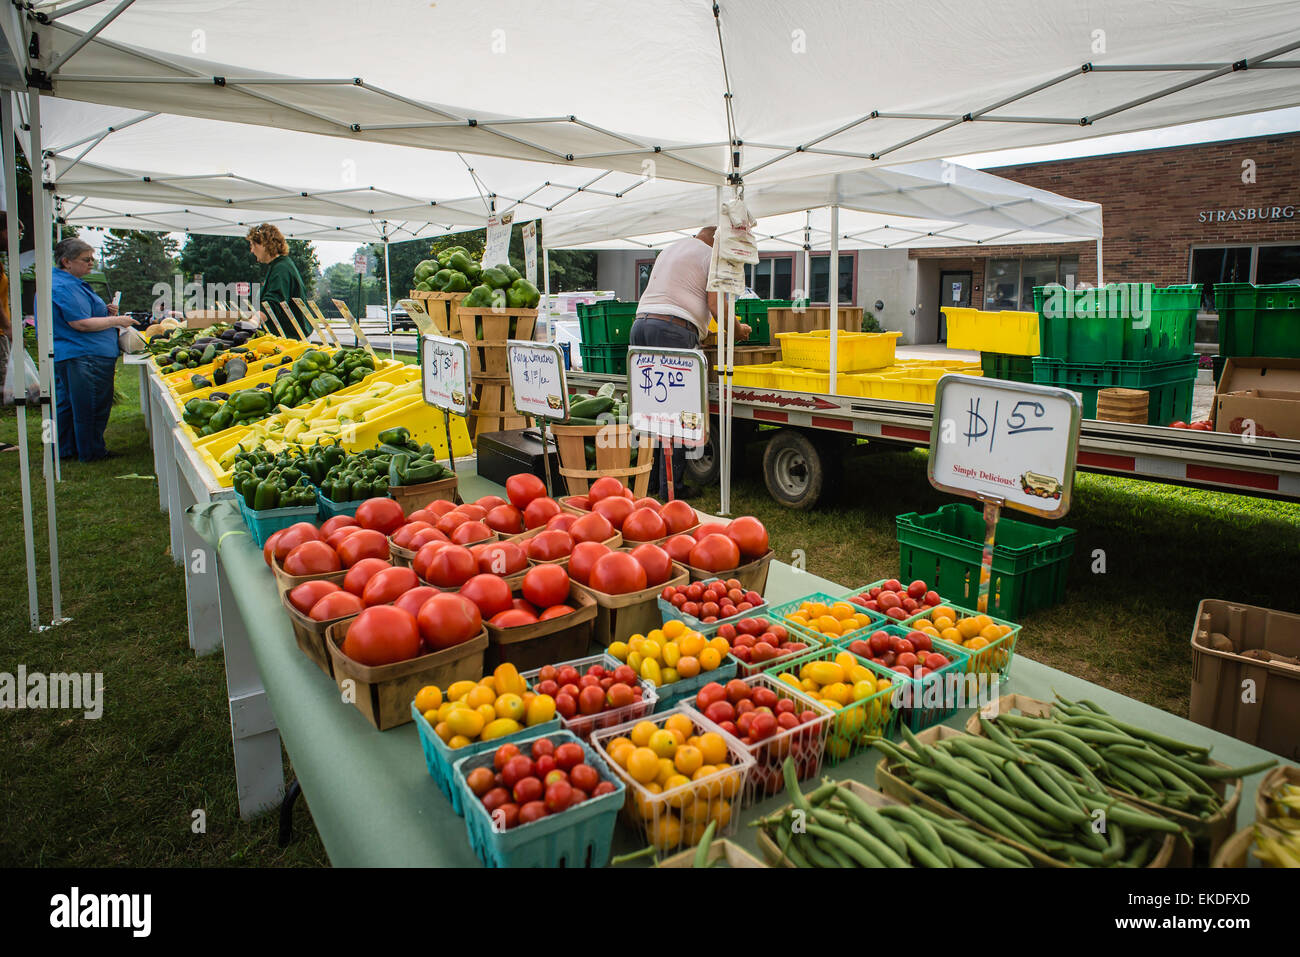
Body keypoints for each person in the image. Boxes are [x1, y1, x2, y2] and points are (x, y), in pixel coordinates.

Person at [630, 226, 748, 498]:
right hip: (672, 329)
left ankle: (650, 484)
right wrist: (738, 330)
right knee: (678, 409)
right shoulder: (712, 255)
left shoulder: (672, 248)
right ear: (717, 238)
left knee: (653, 407)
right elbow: (717, 306)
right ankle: (673, 489)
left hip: (641, 325)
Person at [50, 237, 135, 462]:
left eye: (92, 259)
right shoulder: (64, 286)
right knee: (90, 405)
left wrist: (106, 313)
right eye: (86, 259)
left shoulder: (66, 282)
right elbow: (80, 323)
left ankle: (69, 449)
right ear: (67, 262)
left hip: (76, 354)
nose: (91, 263)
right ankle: (91, 452)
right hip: (84, 355)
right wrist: (116, 320)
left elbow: (83, 315)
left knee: (70, 404)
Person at [247, 223, 307, 338]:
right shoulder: (279, 265)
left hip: (290, 338)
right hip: (288, 335)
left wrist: (253, 322)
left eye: (253, 245)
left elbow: (273, 301)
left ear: (264, 244)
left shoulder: (281, 269)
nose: (252, 250)